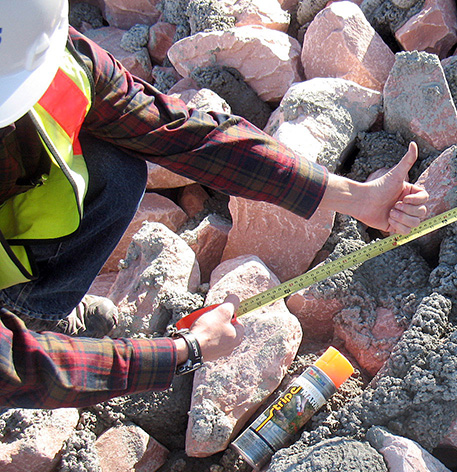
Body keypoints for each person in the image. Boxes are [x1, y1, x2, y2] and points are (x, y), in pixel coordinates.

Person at [0, 0, 428, 408]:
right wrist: (183, 352)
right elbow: (13, 366)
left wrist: (353, 196)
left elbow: (185, 135)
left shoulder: (41, 49)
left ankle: (33, 309)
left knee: (113, 167)